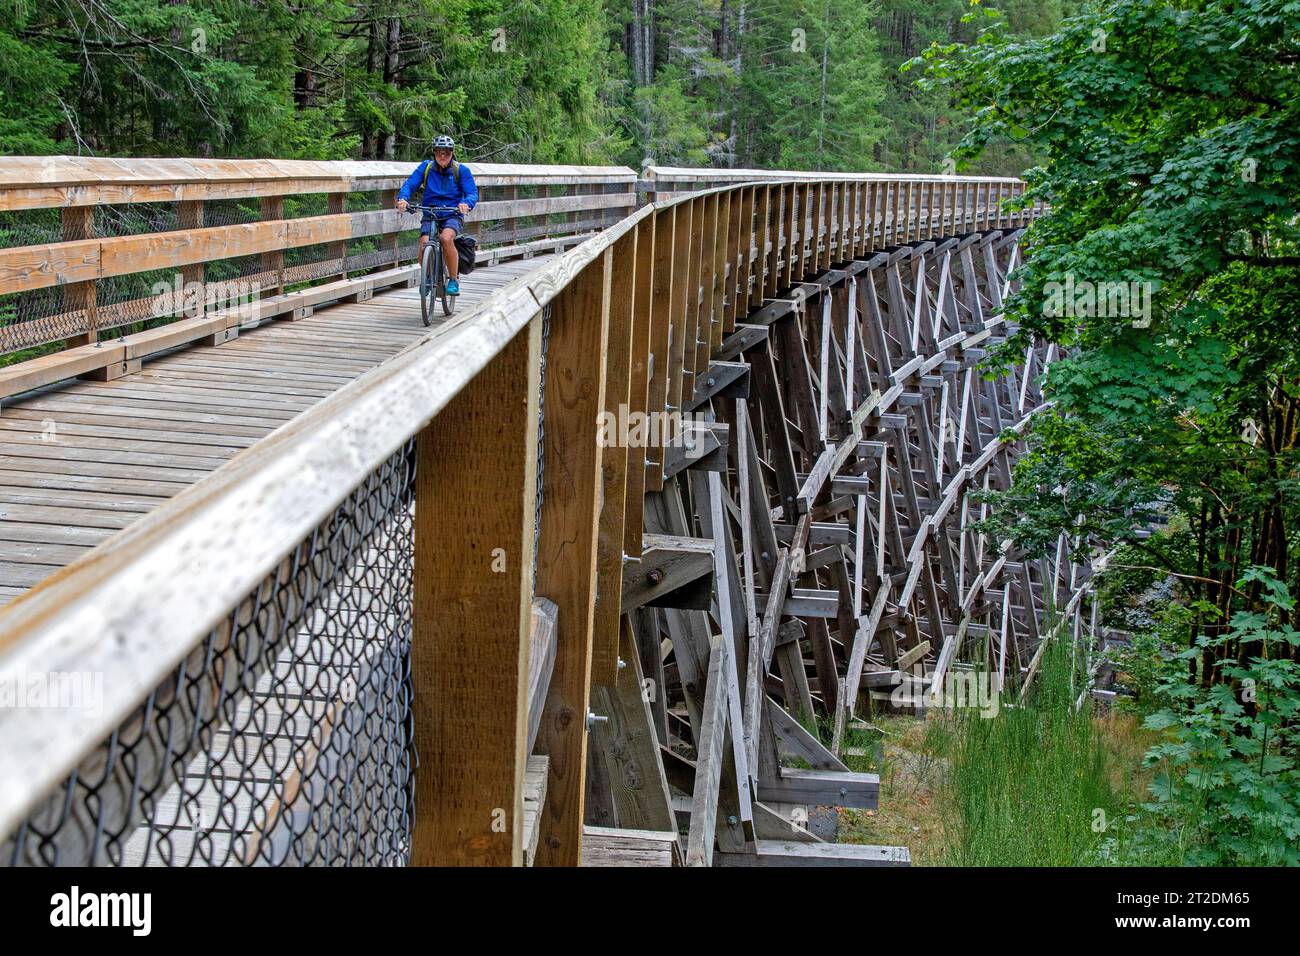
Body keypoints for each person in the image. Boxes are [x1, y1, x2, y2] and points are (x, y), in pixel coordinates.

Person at [395, 135, 478, 295]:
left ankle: (453, 280)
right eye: (439, 152)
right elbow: (410, 184)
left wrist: (466, 204)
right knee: (424, 243)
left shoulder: (461, 170)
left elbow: (472, 193)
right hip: (431, 212)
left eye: (446, 152)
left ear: (452, 153)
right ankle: (427, 276)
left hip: (452, 213)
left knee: (446, 239)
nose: (442, 155)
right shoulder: (426, 168)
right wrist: (403, 199)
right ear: (434, 152)